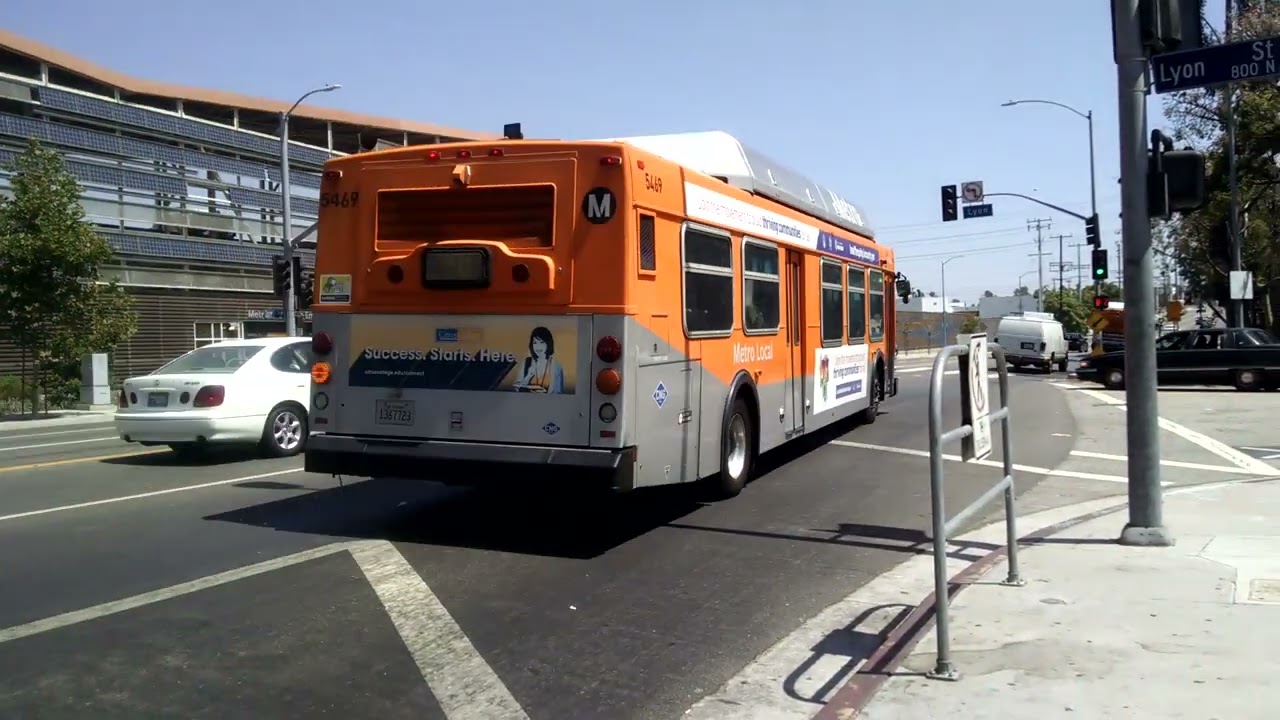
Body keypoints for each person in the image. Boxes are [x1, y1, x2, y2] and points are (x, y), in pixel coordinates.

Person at [512, 326, 565, 394]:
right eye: (535, 343)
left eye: (542, 342)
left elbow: (558, 392)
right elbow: (516, 388)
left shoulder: (556, 365)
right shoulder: (527, 362)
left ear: (548, 343)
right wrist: (528, 376)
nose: (538, 346)